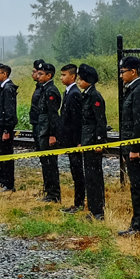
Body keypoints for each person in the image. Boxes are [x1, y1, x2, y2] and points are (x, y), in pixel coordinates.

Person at [118, 57, 140, 237]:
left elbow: (139, 123)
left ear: (133, 72)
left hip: (138, 148)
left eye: (123, 72)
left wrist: (134, 148)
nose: (121, 75)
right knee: (136, 186)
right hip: (132, 145)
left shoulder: (139, 91)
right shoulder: (132, 90)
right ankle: (138, 223)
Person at [27, 61, 62, 203]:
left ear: (49, 75)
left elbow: (53, 115)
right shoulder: (43, 88)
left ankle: (54, 194)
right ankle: (49, 190)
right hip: (42, 129)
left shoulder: (50, 90)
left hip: (47, 131)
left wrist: (52, 134)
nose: (38, 76)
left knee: (50, 164)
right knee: (45, 163)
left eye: (41, 74)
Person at [77, 65, 108, 221]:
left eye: (81, 79)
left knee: (94, 176)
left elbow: (100, 121)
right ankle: (93, 208)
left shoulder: (95, 96)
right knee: (89, 176)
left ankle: (98, 210)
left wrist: (99, 142)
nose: (79, 81)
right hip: (87, 140)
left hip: (93, 141)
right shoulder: (86, 95)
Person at [59, 64, 85, 214]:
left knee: (77, 171)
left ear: (72, 76)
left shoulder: (74, 94)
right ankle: (77, 202)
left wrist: (77, 141)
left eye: (64, 75)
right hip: (69, 139)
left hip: (74, 141)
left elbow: (76, 120)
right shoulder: (68, 92)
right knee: (74, 171)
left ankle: (79, 202)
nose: (61, 78)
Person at [0, 63, 18, 191]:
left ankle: (9, 183)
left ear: (5, 74)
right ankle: (3, 180)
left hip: (5, 128)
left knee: (6, 155)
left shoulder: (8, 89)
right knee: (1, 153)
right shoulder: (2, 87)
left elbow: (8, 110)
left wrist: (7, 129)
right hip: (1, 126)